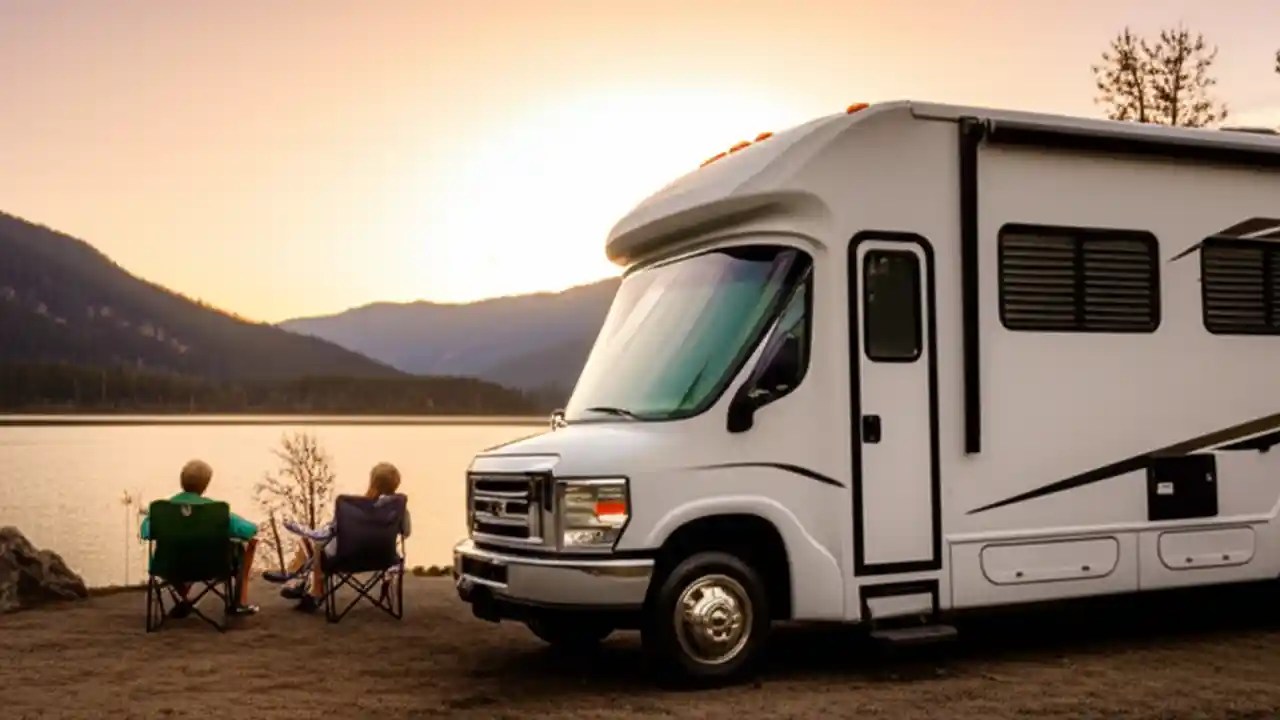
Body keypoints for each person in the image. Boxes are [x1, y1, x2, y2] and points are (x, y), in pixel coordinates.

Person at [264, 462, 410, 612]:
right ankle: (300, 582)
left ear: (372, 481)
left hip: (345, 559)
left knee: (314, 544)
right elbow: (406, 532)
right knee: (318, 547)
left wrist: (296, 527)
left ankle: (307, 586)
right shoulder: (398, 509)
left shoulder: (353, 506)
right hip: (383, 559)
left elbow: (325, 534)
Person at [140, 459, 260, 616]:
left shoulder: (161, 510)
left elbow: (146, 532)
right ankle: (238, 603)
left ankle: (182, 598)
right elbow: (249, 530)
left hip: (168, 567)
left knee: (175, 549)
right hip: (209, 568)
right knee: (240, 547)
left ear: (182, 481)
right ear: (205, 485)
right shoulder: (215, 511)